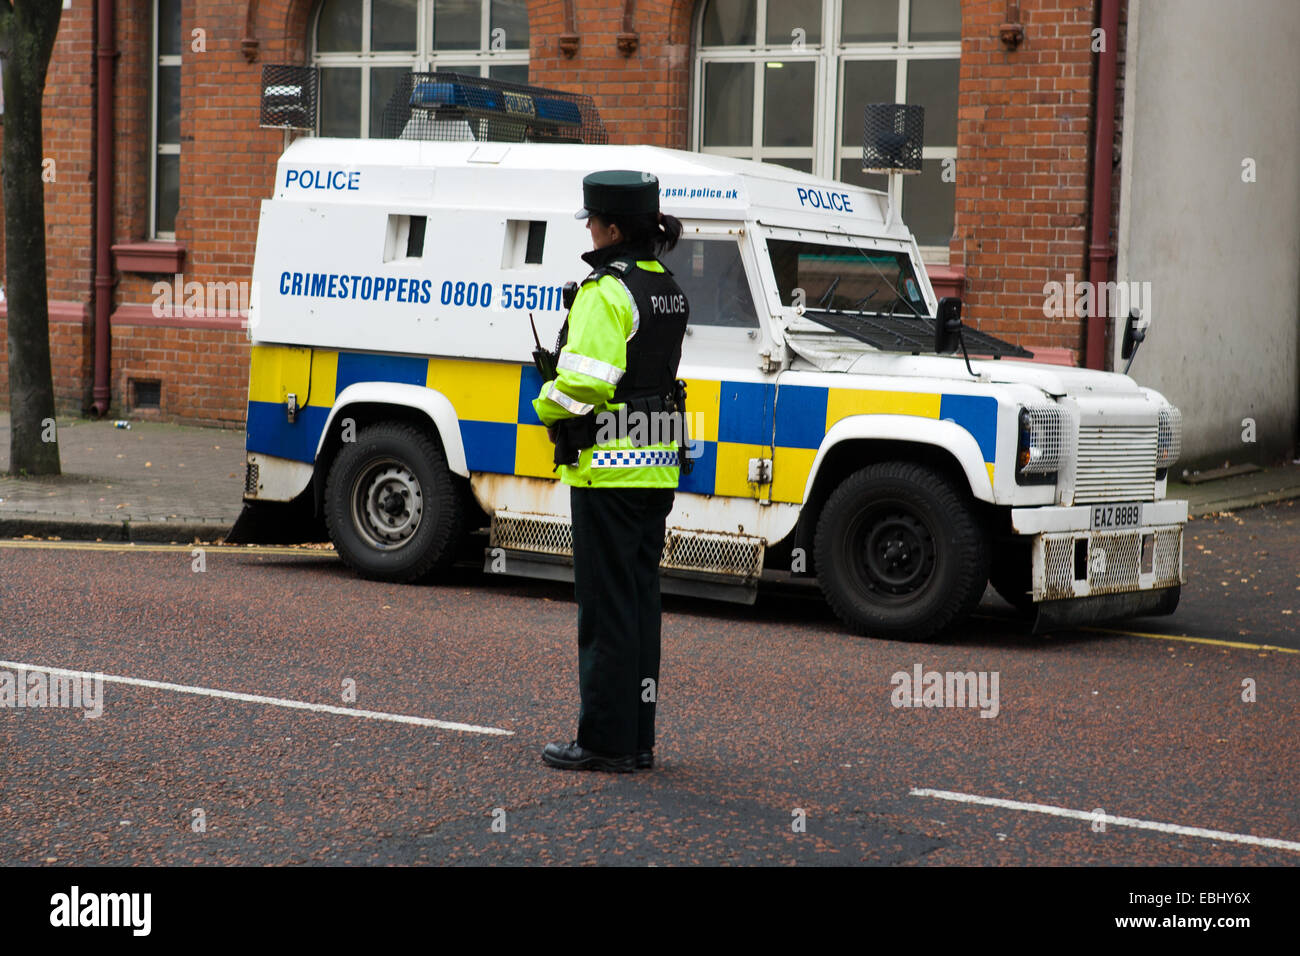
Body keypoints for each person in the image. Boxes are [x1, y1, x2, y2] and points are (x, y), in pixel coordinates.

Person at [533, 169, 689, 773]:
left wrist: (544, 402)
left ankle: (603, 741)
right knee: (640, 605)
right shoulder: (665, 285)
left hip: (607, 473)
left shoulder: (605, 290)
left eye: (593, 222)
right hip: (655, 469)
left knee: (604, 612)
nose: (590, 232)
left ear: (612, 227)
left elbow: (586, 384)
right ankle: (637, 737)